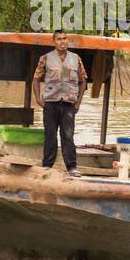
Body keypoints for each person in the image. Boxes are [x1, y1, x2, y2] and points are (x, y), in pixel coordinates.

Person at [33, 29, 89, 176]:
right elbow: (36, 79)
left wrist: (78, 103)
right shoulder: (45, 58)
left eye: (64, 38)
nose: (62, 41)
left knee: (68, 136)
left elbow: (83, 81)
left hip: (69, 104)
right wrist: (39, 99)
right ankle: (47, 167)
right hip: (51, 102)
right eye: (59, 39)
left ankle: (72, 167)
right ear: (54, 41)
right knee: (50, 135)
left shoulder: (75, 58)